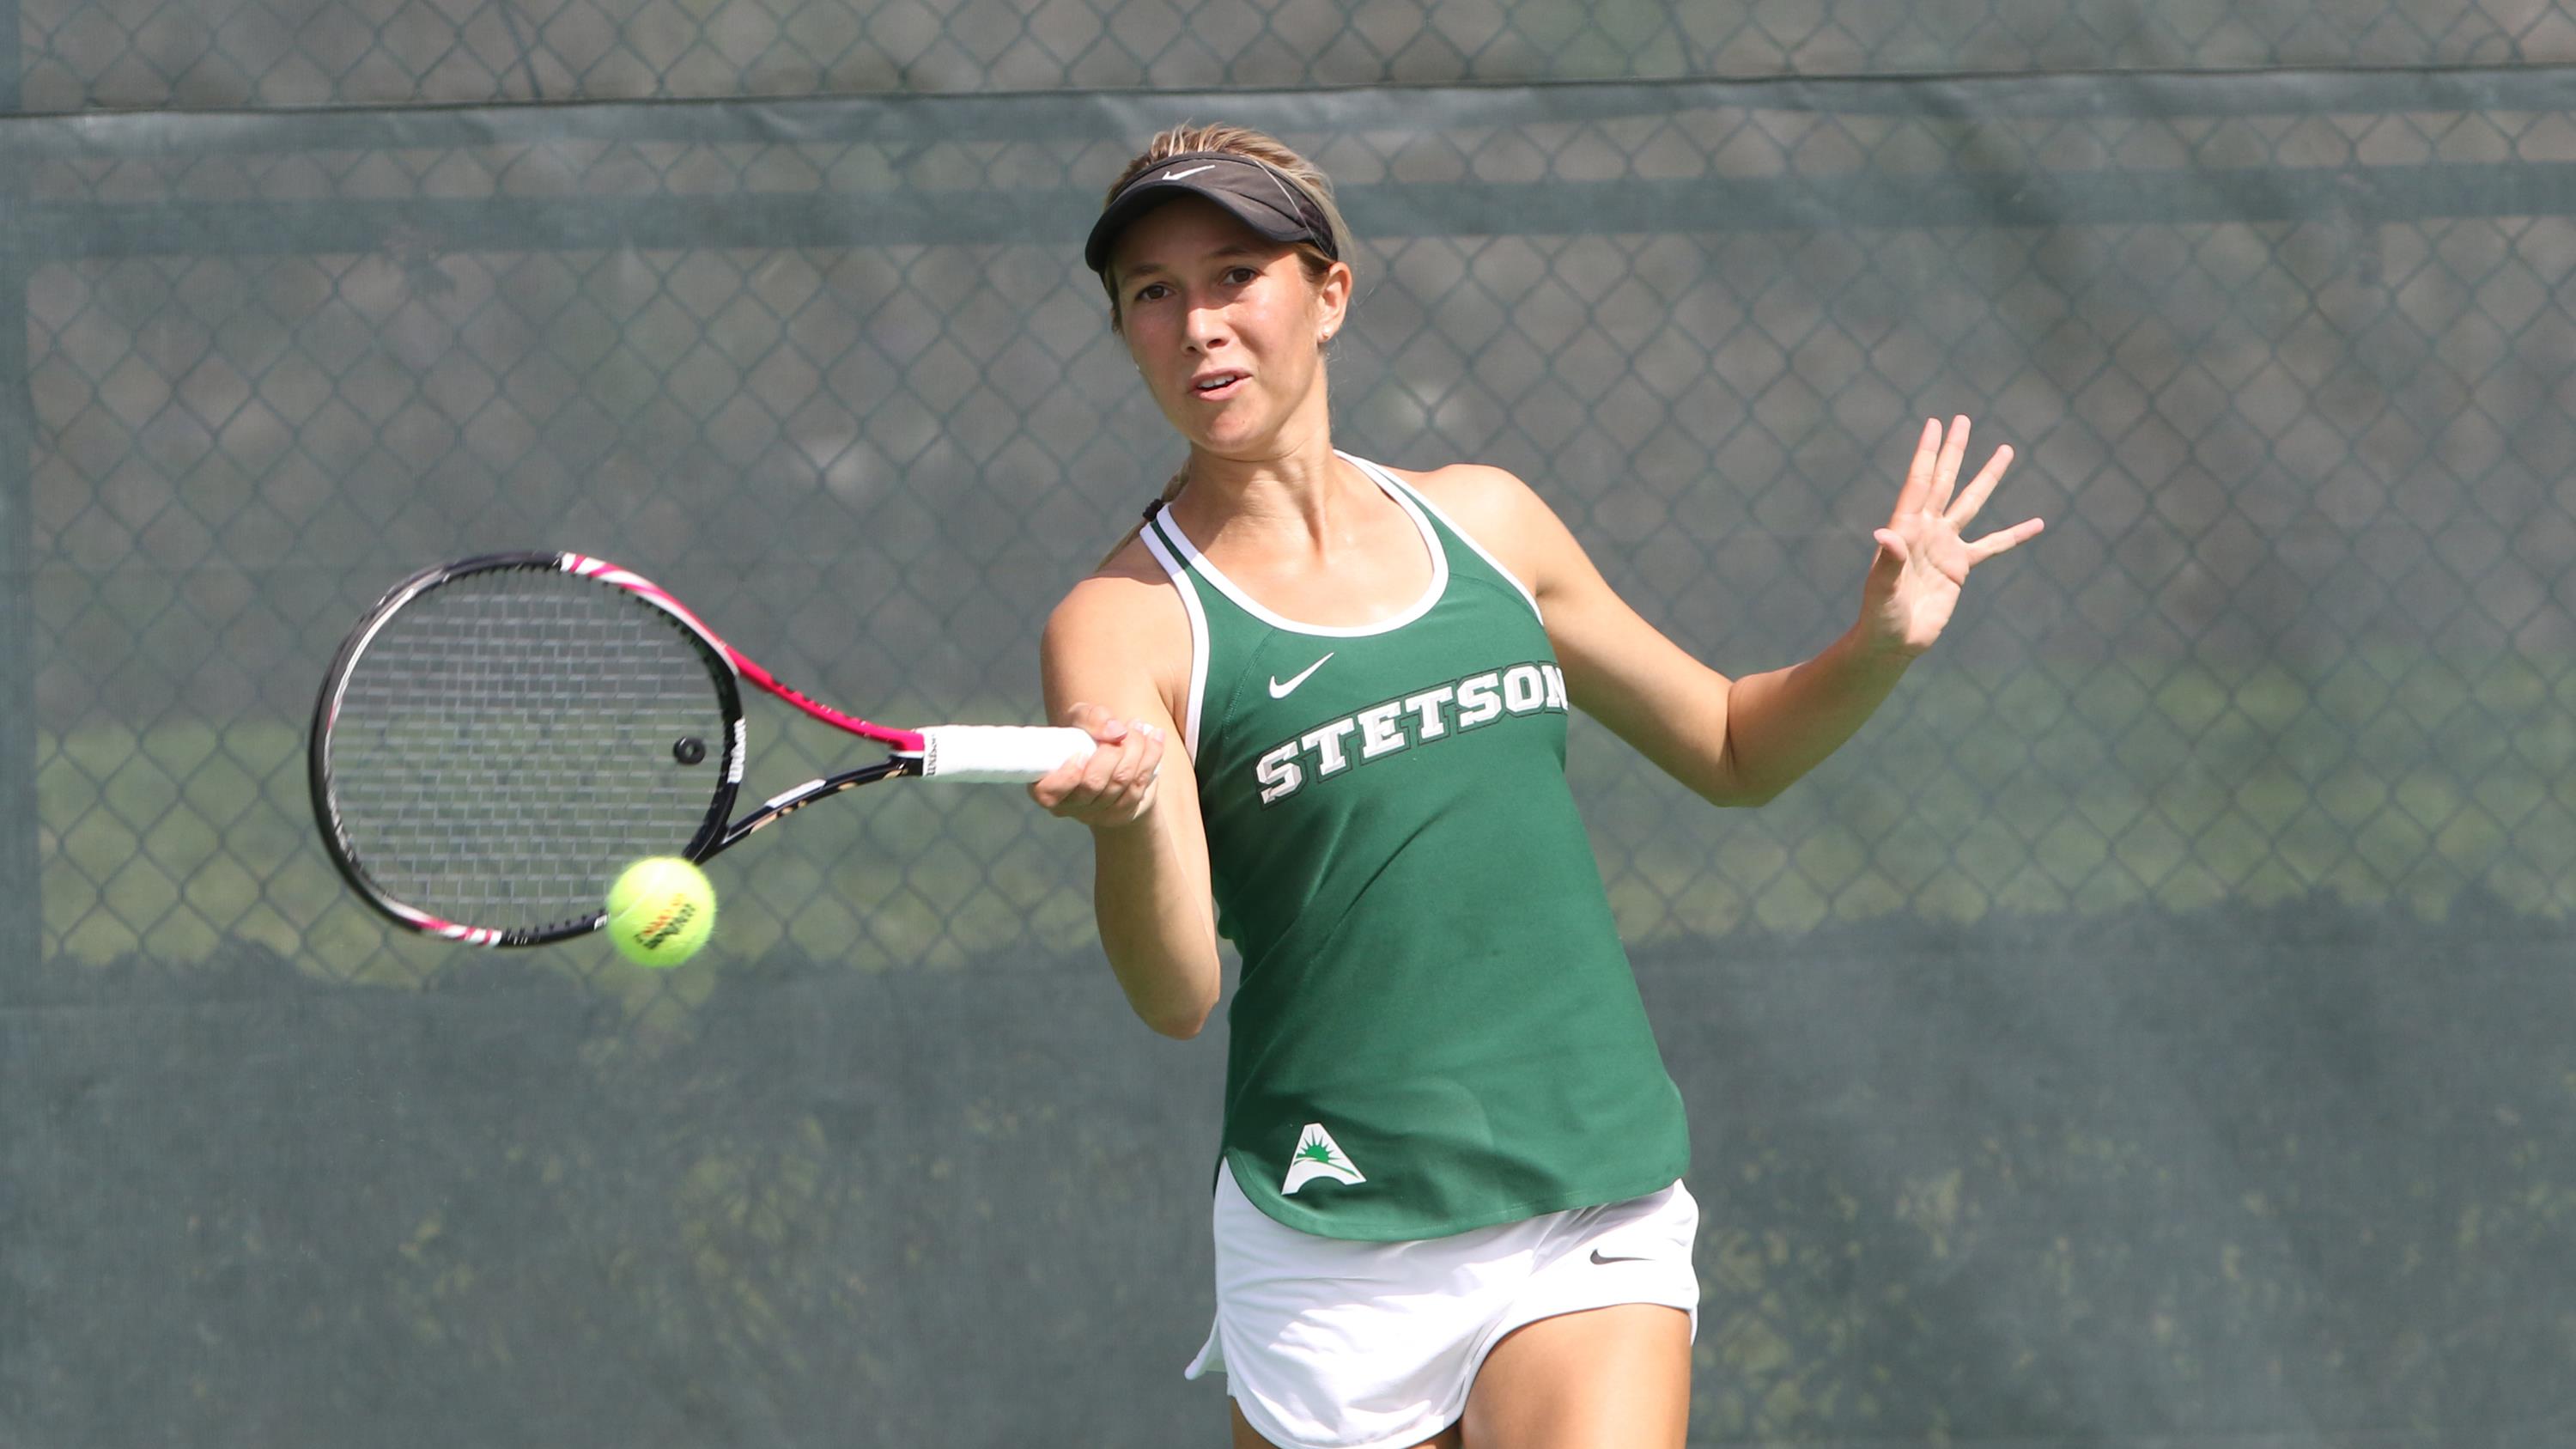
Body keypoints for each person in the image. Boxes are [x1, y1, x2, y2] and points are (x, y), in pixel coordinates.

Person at [1030, 123, 2044, 1449]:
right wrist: (1126, 827)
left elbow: (1732, 747)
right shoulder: (1122, 621)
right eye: (1154, 293)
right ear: (1127, 333)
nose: (1200, 323)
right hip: (1332, 1222)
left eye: (1235, 274)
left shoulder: (1491, 523)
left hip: (1585, 1185)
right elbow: (1177, 995)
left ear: (1329, 295)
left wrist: (1879, 645)